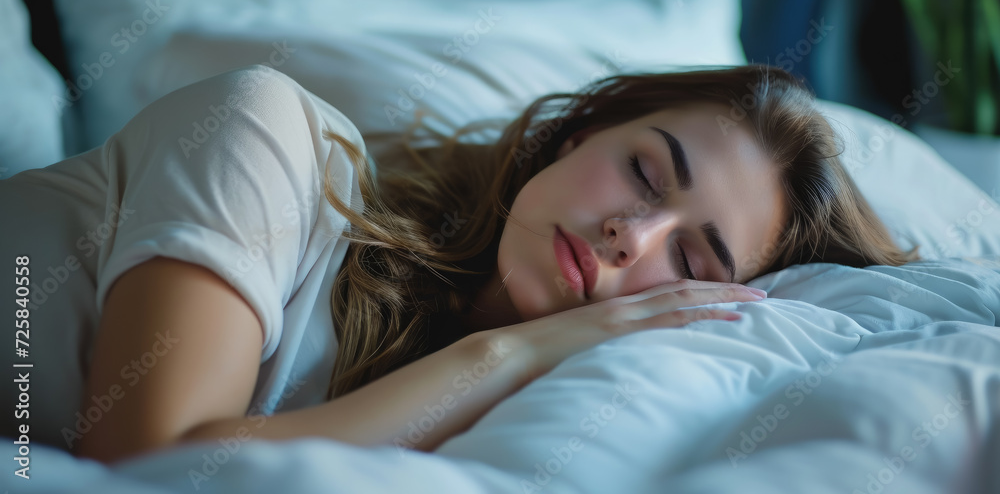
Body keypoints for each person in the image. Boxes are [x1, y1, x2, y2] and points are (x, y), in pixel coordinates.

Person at [0, 63, 917, 466]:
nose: (630, 239)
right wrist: (504, 356)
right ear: (577, 133)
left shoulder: (512, 433)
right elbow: (148, 464)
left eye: (687, 254)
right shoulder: (272, 139)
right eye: (643, 172)